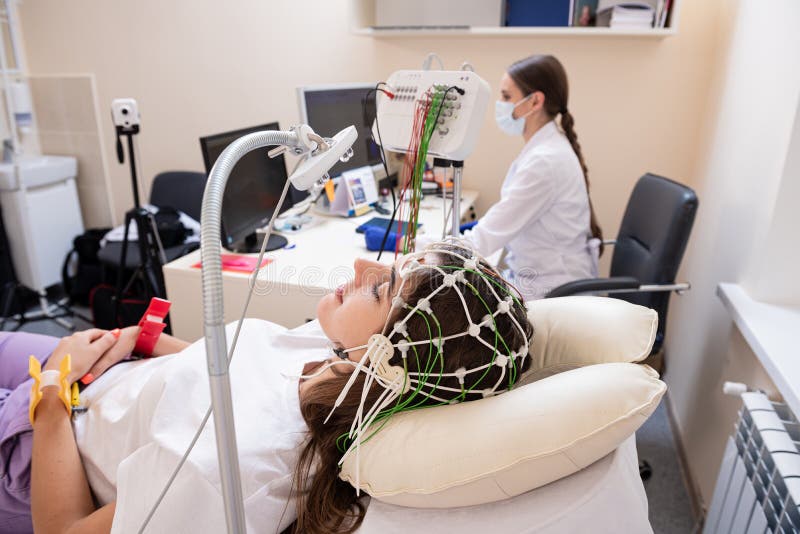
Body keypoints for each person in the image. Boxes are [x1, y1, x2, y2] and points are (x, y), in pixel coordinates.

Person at [0, 241, 532, 534]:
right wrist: (140, 340)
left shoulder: (228, 469)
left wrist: (51, 394)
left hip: (40, 442)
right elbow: (225, 370)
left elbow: (63, 532)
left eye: (381, 285)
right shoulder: (330, 358)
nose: (359, 264)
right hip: (99, 368)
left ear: (385, 356)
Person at [452, 54, 603, 300]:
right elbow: (507, 221)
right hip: (540, 276)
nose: (500, 104)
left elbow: (484, 240)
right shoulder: (549, 147)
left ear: (535, 102)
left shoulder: (545, 161)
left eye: (506, 96)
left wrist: (421, 246)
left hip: (551, 291)